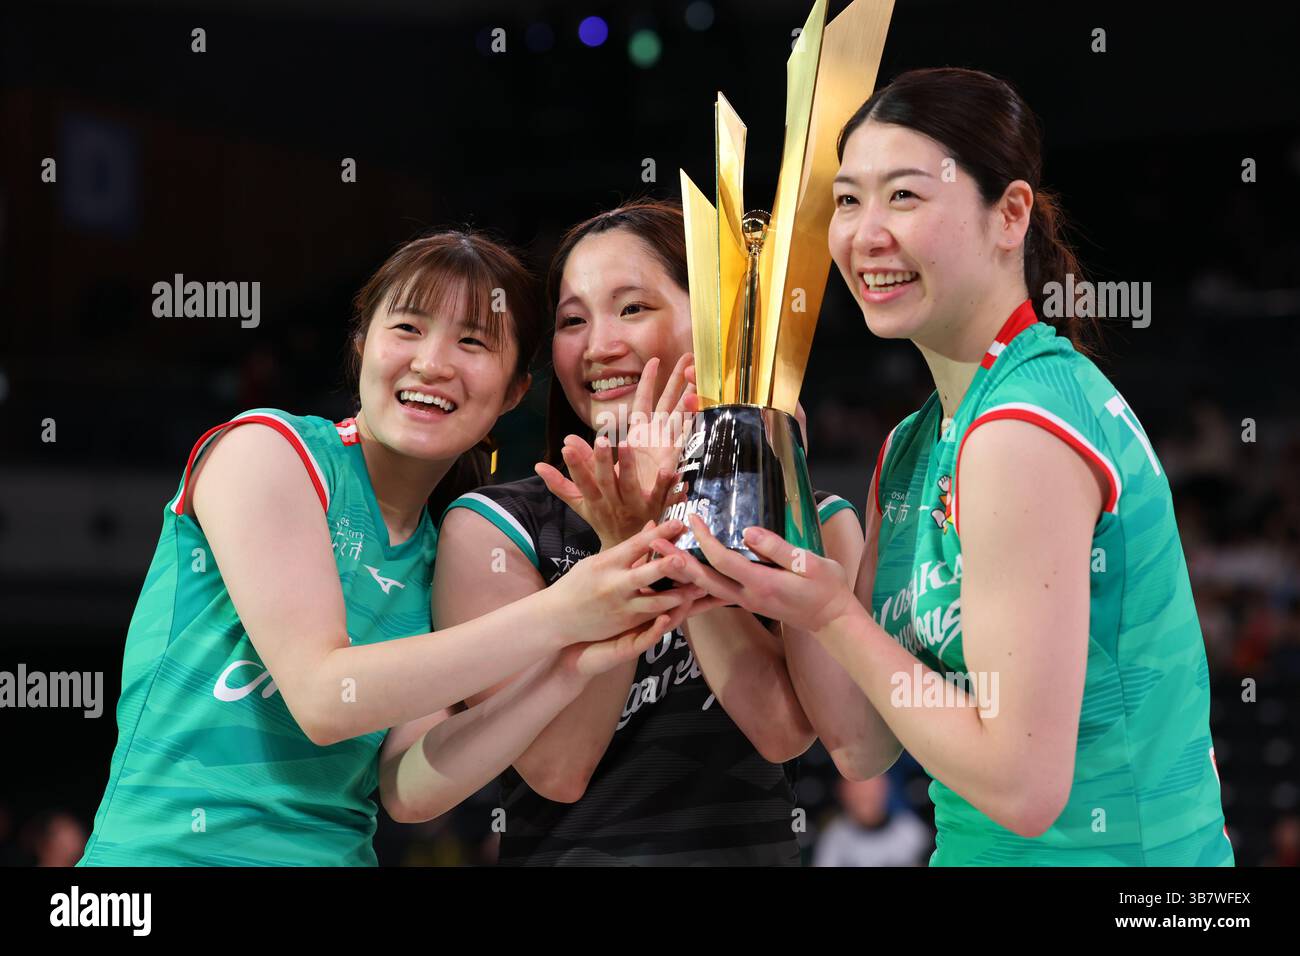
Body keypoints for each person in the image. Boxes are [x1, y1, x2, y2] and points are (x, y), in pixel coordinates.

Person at [657, 68, 1235, 866]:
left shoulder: (1022, 426)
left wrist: (833, 616)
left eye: (904, 196)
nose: (865, 235)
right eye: (849, 199)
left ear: (1011, 215)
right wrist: (768, 501)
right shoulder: (915, 444)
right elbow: (860, 742)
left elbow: (1024, 788)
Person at [79, 230, 700, 866]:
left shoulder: (443, 550)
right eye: (407, 327)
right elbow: (324, 698)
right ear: (362, 346)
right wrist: (559, 616)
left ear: (515, 392)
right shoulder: (267, 452)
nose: (433, 363)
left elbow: (409, 789)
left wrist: (567, 670)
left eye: (472, 341)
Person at [435, 200, 865, 865]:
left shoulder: (813, 519)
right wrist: (630, 548)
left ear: (717, 324)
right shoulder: (496, 528)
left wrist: (681, 512)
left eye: (632, 308)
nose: (598, 344)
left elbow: (783, 732)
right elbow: (558, 769)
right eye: (572, 320)